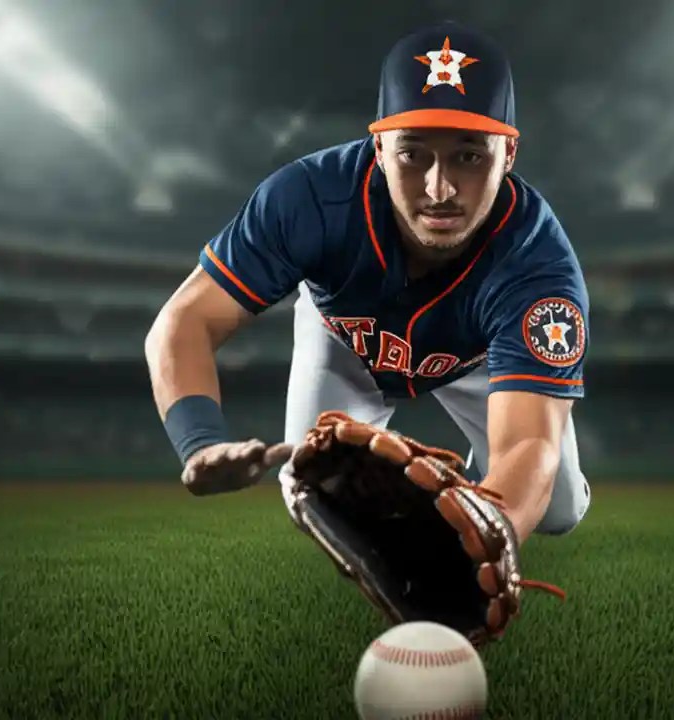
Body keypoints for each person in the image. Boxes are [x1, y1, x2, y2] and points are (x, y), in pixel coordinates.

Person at [145, 22, 591, 542]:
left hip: (481, 353)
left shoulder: (538, 264)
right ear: (377, 147)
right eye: (412, 153)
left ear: (508, 156)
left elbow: (527, 447)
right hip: (345, 331)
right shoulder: (310, 199)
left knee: (555, 512)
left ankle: (477, 482)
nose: (439, 187)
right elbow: (184, 321)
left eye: (469, 155)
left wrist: (485, 534)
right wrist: (200, 442)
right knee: (313, 489)